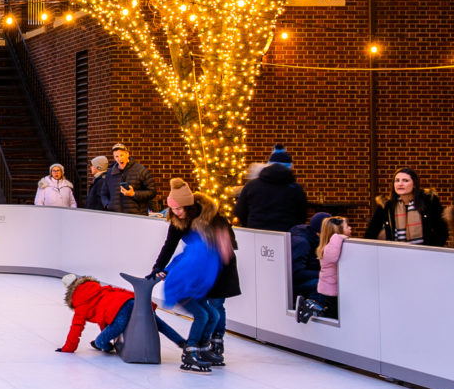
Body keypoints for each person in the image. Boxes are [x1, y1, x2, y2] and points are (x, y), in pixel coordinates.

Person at [150, 178, 241, 366]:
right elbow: (170, 246)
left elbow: (229, 242)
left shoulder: (210, 216)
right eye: (173, 210)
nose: (177, 213)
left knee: (215, 306)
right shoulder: (177, 221)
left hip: (220, 266)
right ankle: (199, 346)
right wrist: (158, 267)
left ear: (189, 206)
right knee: (205, 312)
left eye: (180, 209)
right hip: (197, 268)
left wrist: (221, 245)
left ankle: (215, 343)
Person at [57, 274, 188, 354]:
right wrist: (146, 304)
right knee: (159, 324)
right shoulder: (100, 287)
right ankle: (183, 343)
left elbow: (76, 327)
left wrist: (68, 348)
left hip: (120, 313)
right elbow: (122, 292)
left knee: (100, 342)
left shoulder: (79, 304)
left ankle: (106, 347)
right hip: (130, 301)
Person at [233, 144, 309, 232]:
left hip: (255, 233)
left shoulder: (251, 185)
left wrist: (250, 225)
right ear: (289, 167)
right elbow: (302, 216)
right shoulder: (295, 189)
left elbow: (240, 211)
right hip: (285, 234)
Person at [366, 168, 449, 247]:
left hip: (425, 254)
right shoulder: (386, 206)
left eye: (405, 180)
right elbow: (371, 233)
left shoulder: (429, 201)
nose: (400, 184)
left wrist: (430, 251)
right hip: (396, 254)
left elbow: (441, 231)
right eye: (397, 180)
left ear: (414, 184)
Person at [291, 211, 331, 318]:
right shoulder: (302, 243)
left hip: (305, 278)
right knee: (324, 282)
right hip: (297, 284)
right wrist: (322, 274)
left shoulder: (313, 239)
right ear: (319, 233)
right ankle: (311, 306)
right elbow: (296, 273)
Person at [313, 216, 350, 320]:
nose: (350, 228)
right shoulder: (330, 248)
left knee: (333, 314)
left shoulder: (332, 246)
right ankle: (310, 307)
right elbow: (332, 257)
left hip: (330, 288)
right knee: (333, 316)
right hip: (330, 290)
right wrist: (338, 237)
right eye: (347, 226)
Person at [104, 143, 155, 215]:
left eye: (122, 155)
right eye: (116, 156)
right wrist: (107, 205)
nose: (119, 158)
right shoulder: (110, 173)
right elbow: (104, 193)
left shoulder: (141, 170)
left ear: (127, 154)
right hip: (115, 215)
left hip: (136, 215)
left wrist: (133, 194)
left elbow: (152, 192)